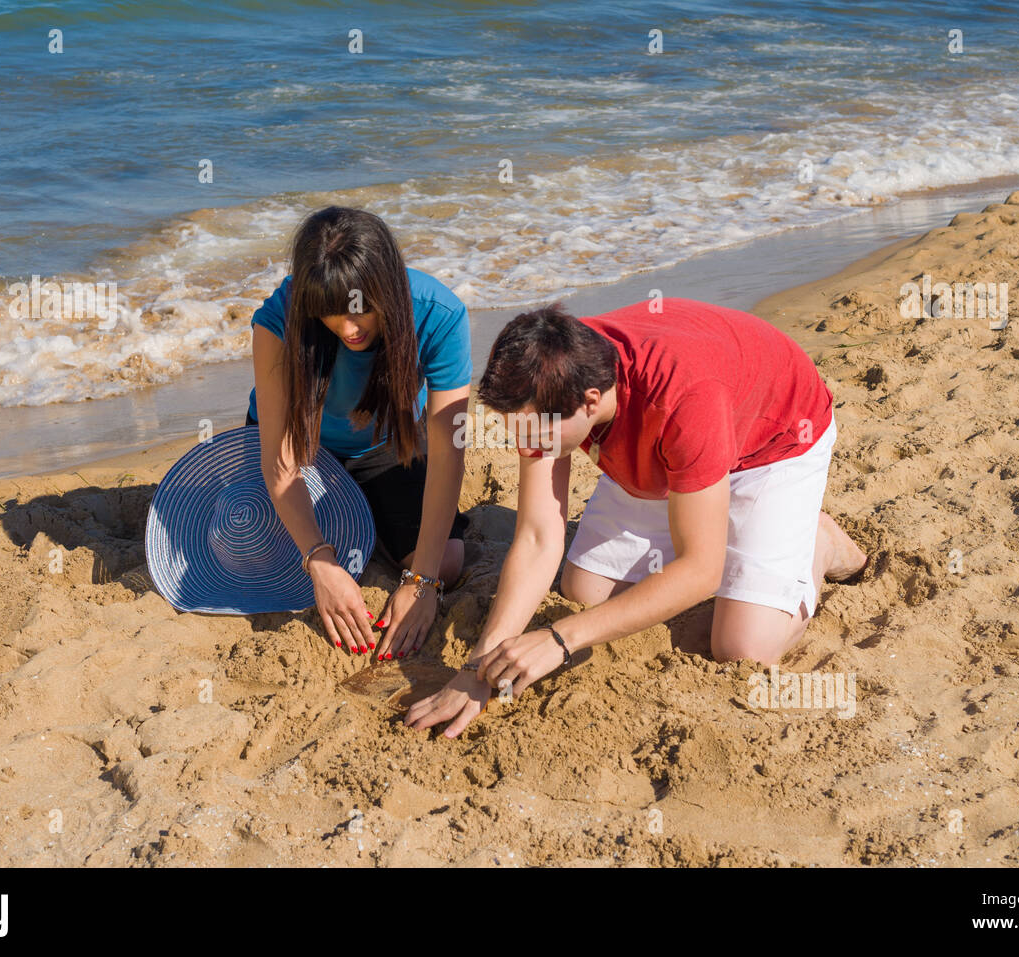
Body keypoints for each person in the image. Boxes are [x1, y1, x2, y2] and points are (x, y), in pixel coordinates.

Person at [405, 298, 867, 738]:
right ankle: (705, 514)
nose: (527, 442)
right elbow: (538, 537)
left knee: (742, 649)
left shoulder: (684, 400)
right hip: (669, 453)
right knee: (585, 589)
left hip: (770, 445)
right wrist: (479, 665)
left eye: (536, 432)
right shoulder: (548, 378)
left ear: (589, 401)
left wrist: (559, 638)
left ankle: (819, 543)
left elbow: (701, 571)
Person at [247, 206, 471, 660]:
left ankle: (367, 516)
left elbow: (449, 455)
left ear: (386, 283)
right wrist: (320, 560)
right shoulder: (278, 319)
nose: (348, 328)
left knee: (446, 559)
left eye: (360, 311)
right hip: (302, 447)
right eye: (330, 314)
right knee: (264, 555)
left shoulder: (440, 314)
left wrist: (422, 583)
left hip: (384, 445)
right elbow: (282, 462)